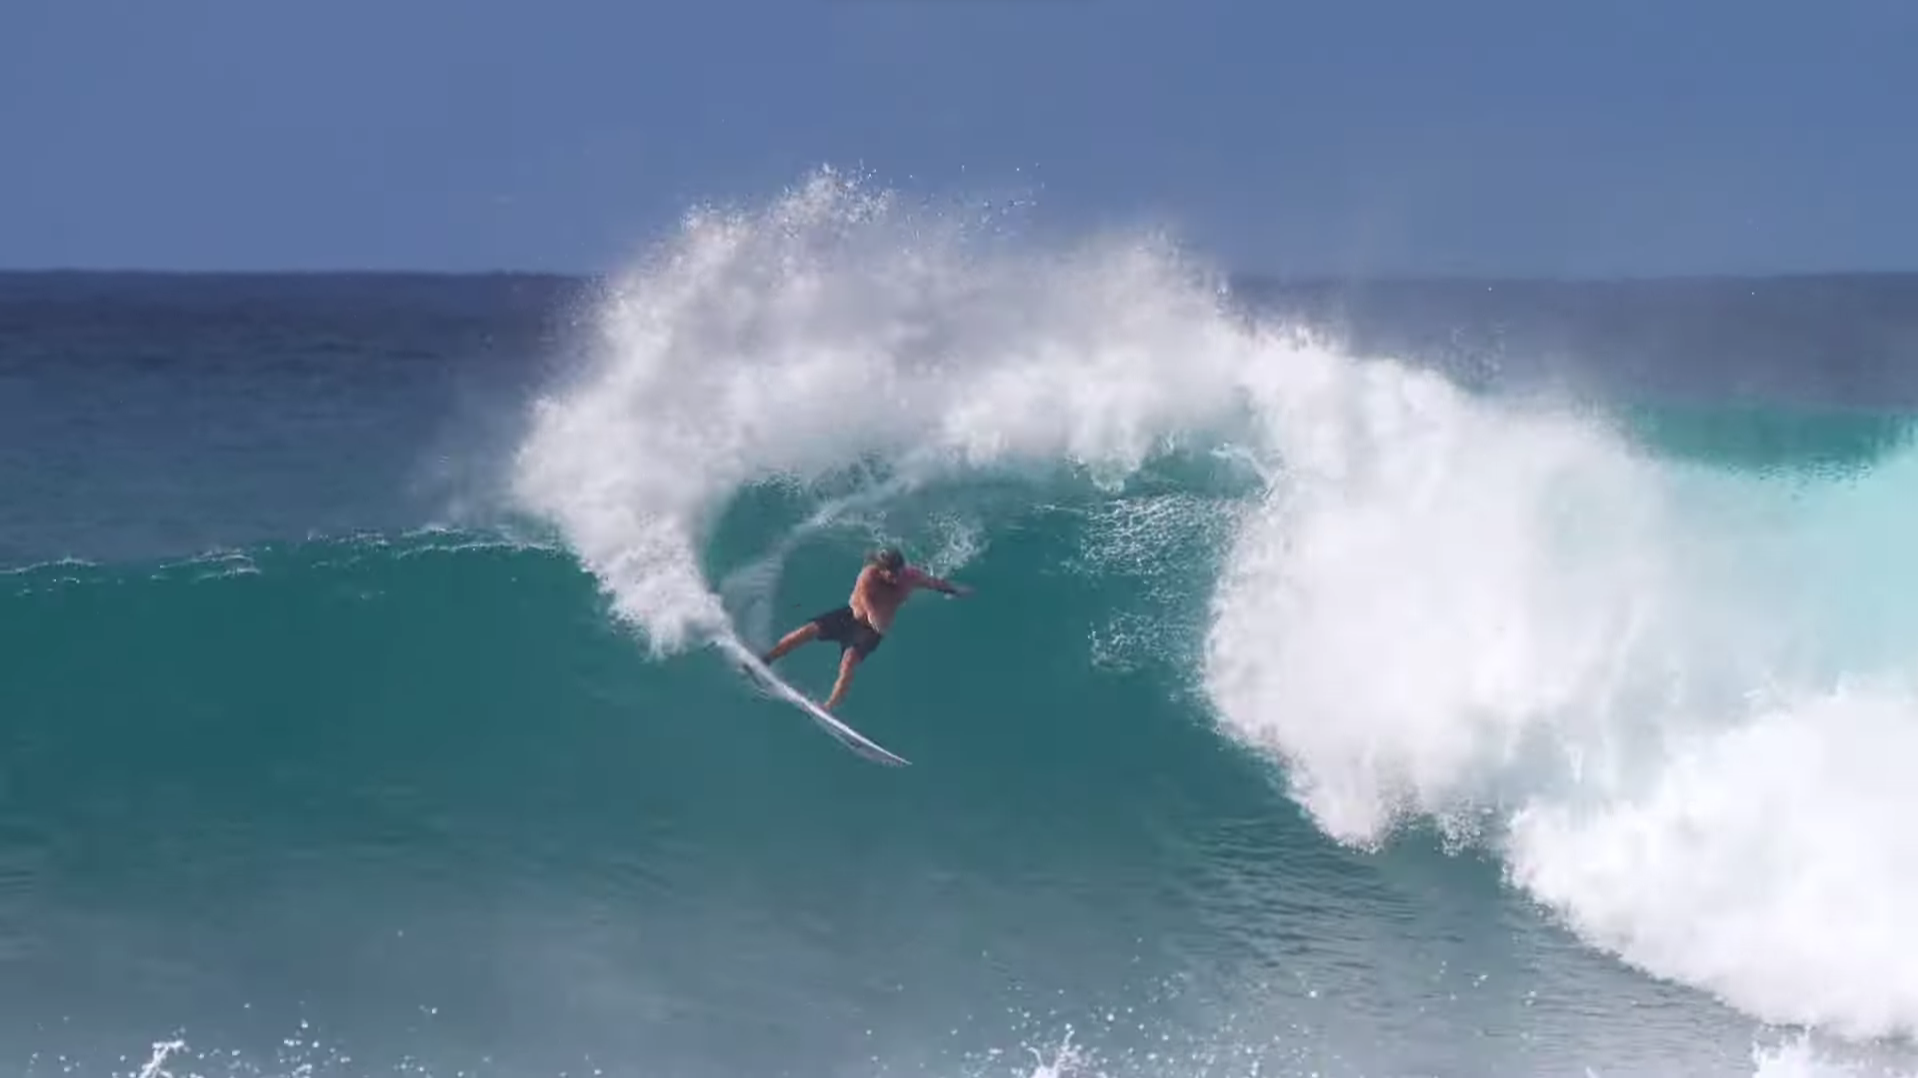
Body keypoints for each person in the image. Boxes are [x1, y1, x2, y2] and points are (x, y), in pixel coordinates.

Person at [760, 546, 971, 711]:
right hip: (850, 617)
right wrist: (875, 619)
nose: (895, 577)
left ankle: (827, 707)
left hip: (869, 632)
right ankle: (768, 658)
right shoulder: (868, 575)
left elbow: (934, 583)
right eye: (890, 573)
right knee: (806, 632)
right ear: (880, 569)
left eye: (898, 572)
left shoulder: (911, 577)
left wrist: (954, 590)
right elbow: (867, 604)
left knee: (848, 664)